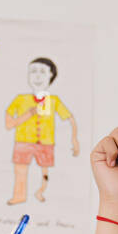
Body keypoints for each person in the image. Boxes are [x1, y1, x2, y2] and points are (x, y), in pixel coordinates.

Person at [5, 57, 79, 205]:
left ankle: (41, 191)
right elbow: (9, 124)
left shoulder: (53, 101)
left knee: (44, 172)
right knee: (20, 171)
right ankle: (19, 195)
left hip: (46, 143)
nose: (37, 76)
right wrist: (28, 115)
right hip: (23, 142)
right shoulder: (20, 99)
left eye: (42, 72)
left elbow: (70, 119)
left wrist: (74, 140)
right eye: (33, 72)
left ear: (51, 75)